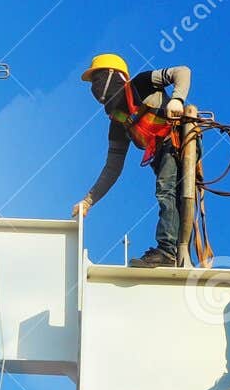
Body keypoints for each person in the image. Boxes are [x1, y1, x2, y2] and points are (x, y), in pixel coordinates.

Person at [70, 54, 191, 267]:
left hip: (177, 140)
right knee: (170, 193)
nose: (95, 88)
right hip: (162, 151)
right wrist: (88, 201)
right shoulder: (118, 122)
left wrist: (177, 99)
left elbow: (182, 71)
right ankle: (173, 251)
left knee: (166, 190)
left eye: (97, 78)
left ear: (113, 75)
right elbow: (112, 168)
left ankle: (167, 251)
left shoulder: (140, 84)